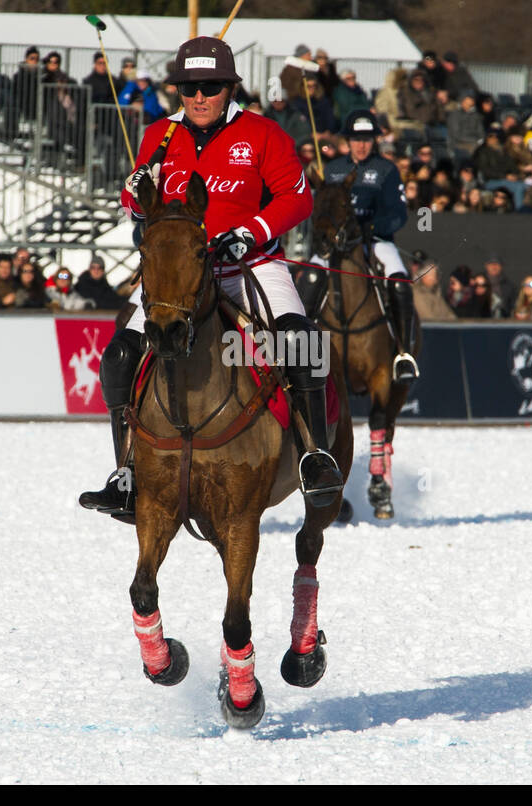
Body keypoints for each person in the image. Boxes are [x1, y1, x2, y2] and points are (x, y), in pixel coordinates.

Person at [79, 35, 337, 521]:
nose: (199, 97)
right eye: (189, 87)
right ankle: (126, 472)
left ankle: (314, 456)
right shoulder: (159, 135)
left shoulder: (263, 133)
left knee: (300, 340)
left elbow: (297, 198)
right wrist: (133, 194)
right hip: (178, 277)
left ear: (230, 87)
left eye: (211, 86)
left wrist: (251, 231)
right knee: (118, 354)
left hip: (248, 266)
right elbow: (140, 201)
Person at [311, 109, 417, 380]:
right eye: (356, 139)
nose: (361, 144)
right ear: (347, 140)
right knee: (310, 276)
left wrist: (370, 227)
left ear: (375, 141)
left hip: (375, 241)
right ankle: (299, 345)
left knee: (398, 279)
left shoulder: (386, 170)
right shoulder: (333, 170)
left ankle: (404, 352)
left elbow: (398, 213)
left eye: (367, 139)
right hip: (335, 242)